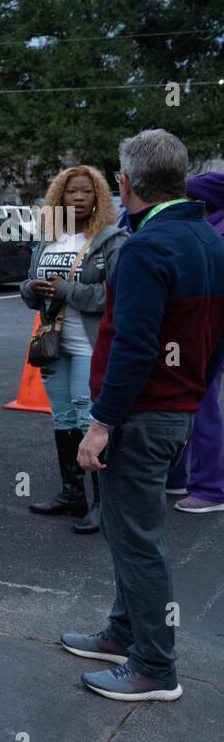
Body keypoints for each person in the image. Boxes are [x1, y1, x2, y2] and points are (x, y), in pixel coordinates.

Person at [70, 129, 224, 702]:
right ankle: (122, 633)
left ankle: (155, 667)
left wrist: (102, 424)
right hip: (173, 409)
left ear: (125, 183)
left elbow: (133, 346)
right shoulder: (207, 239)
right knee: (127, 529)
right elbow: (215, 342)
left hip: (140, 415)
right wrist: (193, 391)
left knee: (135, 539)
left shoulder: (146, 248)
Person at [20, 165, 126, 534]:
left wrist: (68, 291)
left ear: (98, 197)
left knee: (87, 417)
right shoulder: (48, 239)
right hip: (54, 344)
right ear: (59, 198)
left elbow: (114, 296)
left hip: (90, 346)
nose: (78, 197)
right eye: (71, 191)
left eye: (86, 191)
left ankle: (102, 503)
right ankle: (72, 494)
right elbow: (27, 287)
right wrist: (32, 290)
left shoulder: (112, 240)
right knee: (62, 416)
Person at [165, 172, 224, 513]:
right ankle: (178, 476)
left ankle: (210, 487)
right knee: (190, 401)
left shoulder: (212, 232)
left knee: (201, 406)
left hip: (204, 332)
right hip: (201, 331)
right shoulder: (210, 228)